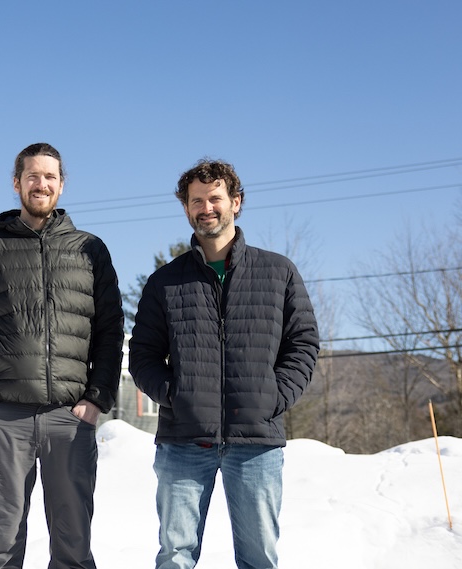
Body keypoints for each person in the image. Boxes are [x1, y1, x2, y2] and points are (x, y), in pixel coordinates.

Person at [129, 158, 320, 569]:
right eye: (196, 200)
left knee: (259, 559)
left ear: (236, 202)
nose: (206, 208)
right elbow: (142, 355)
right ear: (186, 208)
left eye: (214, 198)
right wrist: (175, 396)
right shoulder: (165, 281)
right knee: (175, 556)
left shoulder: (278, 272)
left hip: (256, 443)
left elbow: (303, 344)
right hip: (183, 440)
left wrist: (273, 396)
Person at [0, 142, 124, 569]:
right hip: (5, 418)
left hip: (70, 420)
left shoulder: (90, 250)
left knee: (73, 544)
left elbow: (110, 330)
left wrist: (97, 399)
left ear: (61, 185)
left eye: (49, 176)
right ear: (16, 183)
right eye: (32, 176)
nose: (40, 184)